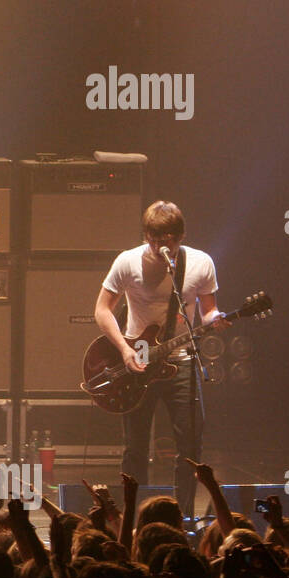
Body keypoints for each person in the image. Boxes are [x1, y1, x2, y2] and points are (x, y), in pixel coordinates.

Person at [93, 200, 227, 519]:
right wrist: (125, 350)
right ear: (146, 235)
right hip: (137, 358)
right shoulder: (127, 262)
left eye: (168, 241)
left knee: (190, 447)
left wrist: (215, 317)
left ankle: (181, 518)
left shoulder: (201, 263)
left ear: (180, 237)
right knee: (136, 447)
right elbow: (102, 309)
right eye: (154, 240)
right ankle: (135, 517)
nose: (160, 247)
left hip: (181, 360)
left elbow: (208, 310)